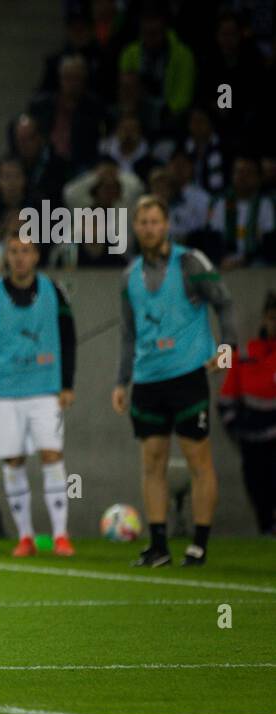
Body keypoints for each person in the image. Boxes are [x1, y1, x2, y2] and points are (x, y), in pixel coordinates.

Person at [112, 195, 237, 567]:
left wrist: (227, 347)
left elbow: (225, 302)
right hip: (148, 381)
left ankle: (198, 544)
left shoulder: (191, 262)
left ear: (166, 224)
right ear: (135, 228)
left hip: (187, 375)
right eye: (142, 222)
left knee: (198, 458)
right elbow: (128, 334)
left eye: (155, 221)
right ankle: (159, 545)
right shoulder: (128, 277)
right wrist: (122, 381)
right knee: (152, 462)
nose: (148, 228)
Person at [0, 232, 77, 556]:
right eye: (13, 251)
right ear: (6, 257)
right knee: (13, 460)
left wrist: (67, 383)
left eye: (25, 251)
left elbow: (68, 337)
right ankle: (26, 536)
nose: (19, 257)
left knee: (51, 454)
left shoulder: (54, 291)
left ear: (35, 256)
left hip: (44, 388)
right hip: (3, 391)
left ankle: (61, 534)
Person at [218, 292, 276, 535]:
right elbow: (225, 399)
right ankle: (266, 530)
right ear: (264, 318)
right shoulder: (244, 353)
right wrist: (238, 428)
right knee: (257, 488)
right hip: (251, 438)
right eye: (272, 317)